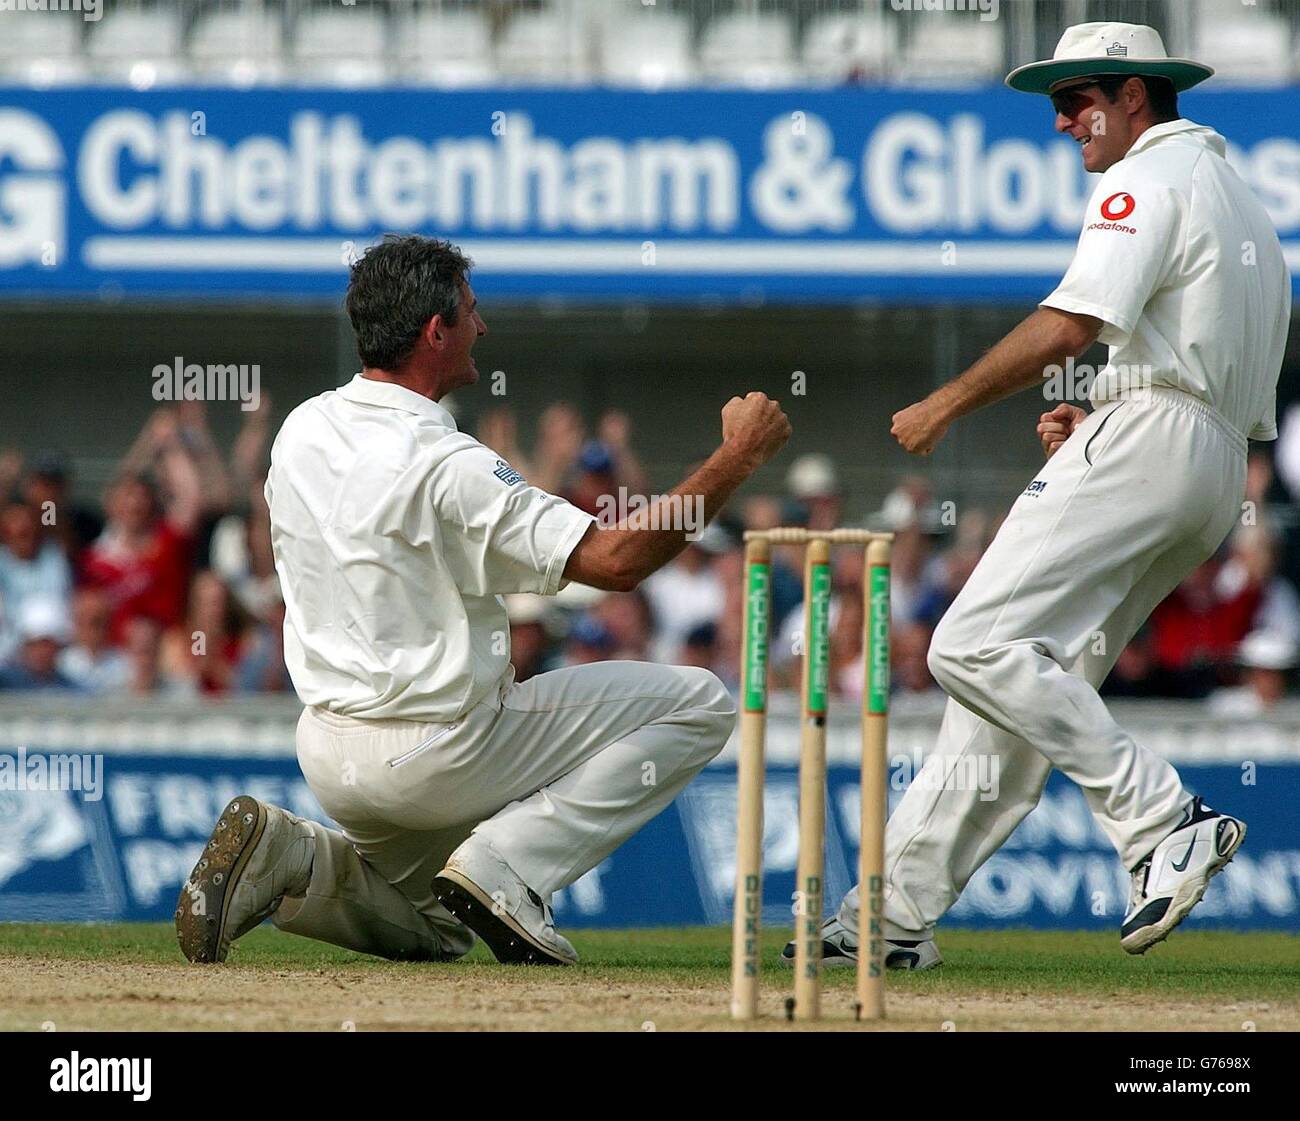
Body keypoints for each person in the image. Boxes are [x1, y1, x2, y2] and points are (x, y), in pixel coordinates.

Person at [794, 23, 1290, 971]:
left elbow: (1070, 324)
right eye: (1056, 105)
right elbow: (1197, 364)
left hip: (1154, 440)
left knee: (969, 643)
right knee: (1018, 681)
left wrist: (946, 403)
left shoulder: (1142, 175)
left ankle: (1163, 820)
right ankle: (888, 914)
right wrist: (1108, 409)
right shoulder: (1243, 200)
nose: (1064, 122)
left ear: (1136, 94)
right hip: (1208, 465)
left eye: (1078, 100)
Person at [176, 234, 790, 967]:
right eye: (471, 310)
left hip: (329, 753)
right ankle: (514, 864)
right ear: (435, 331)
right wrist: (735, 459)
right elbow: (617, 561)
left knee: (436, 924)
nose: (483, 326)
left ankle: (294, 855)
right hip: (440, 751)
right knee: (701, 702)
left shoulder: (300, 430)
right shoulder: (449, 463)